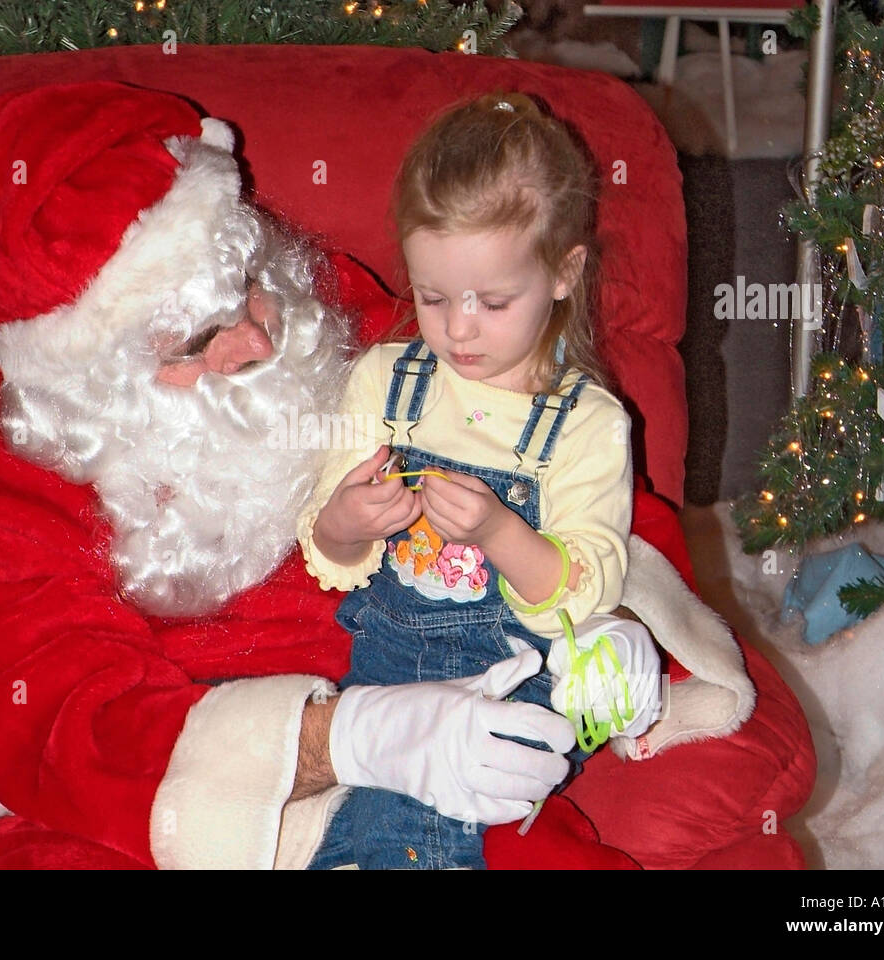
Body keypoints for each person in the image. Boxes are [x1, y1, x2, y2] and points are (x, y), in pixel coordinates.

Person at [0, 80, 757, 871]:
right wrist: (351, 740)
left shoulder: (317, 300)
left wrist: (605, 629)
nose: (260, 342)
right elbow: (53, 718)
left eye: (247, 290)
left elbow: (535, 444)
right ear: (98, 372)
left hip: (459, 695)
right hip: (214, 798)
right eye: (198, 342)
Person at [300, 93, 662, 869]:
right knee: (387, 789)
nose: (458, 328)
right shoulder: (384, 382)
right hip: (385, 672)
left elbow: (587, 589)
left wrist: (501, 532)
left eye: (493, 303)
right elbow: (327, 551)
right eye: (432, 298)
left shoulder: (586, 424)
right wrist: (348, 520)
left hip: (520, 680)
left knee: (416, 811)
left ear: (564, 274)